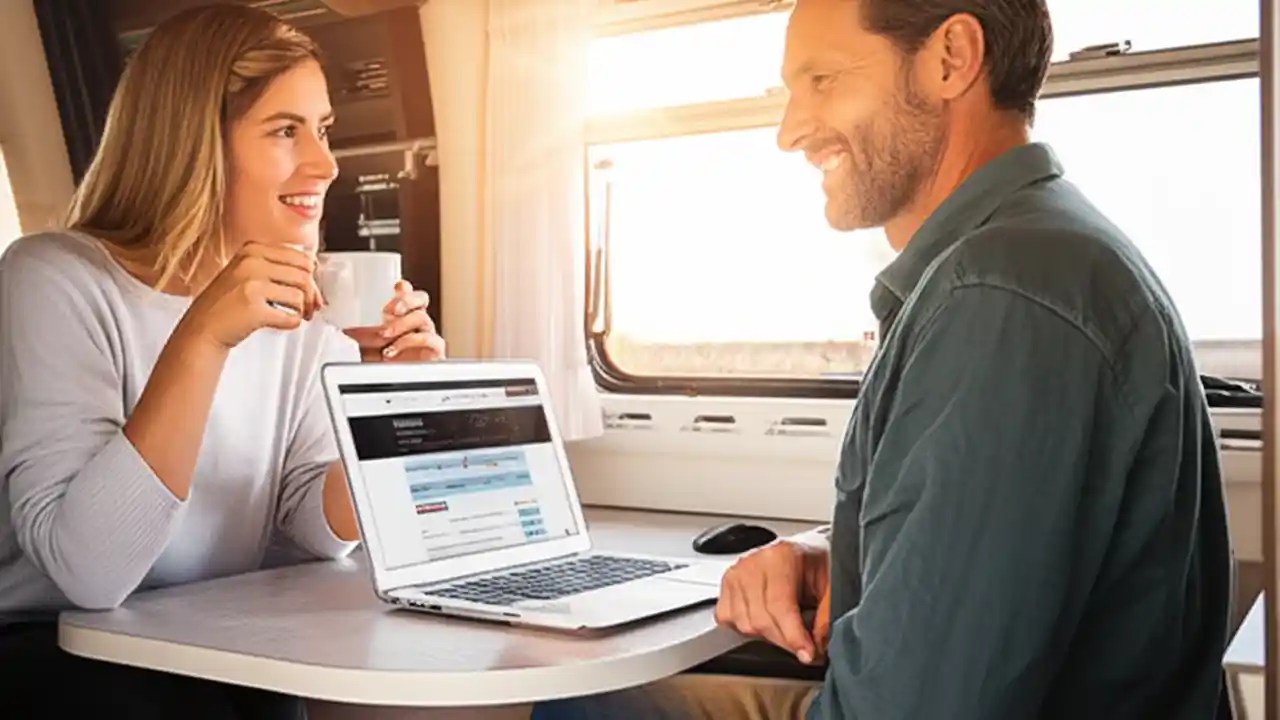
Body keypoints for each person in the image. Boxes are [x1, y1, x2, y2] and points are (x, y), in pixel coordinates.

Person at [533, 0, 1233, 717]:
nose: (789, 131)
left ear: (952, 58)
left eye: (824, 80)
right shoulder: (1030, 255)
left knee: (576, 702)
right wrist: (837, 557)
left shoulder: (1003, 296)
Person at [0, 4, 445, 718]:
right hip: (58, 647)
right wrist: (203, 336)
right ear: (194, 144)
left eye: (323, 129)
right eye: (284, 130)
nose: (325, 163)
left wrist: (394, 413)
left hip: (207, 629)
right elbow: (90, 572)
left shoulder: (306, 304)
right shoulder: (55, 278)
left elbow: (313, 526)